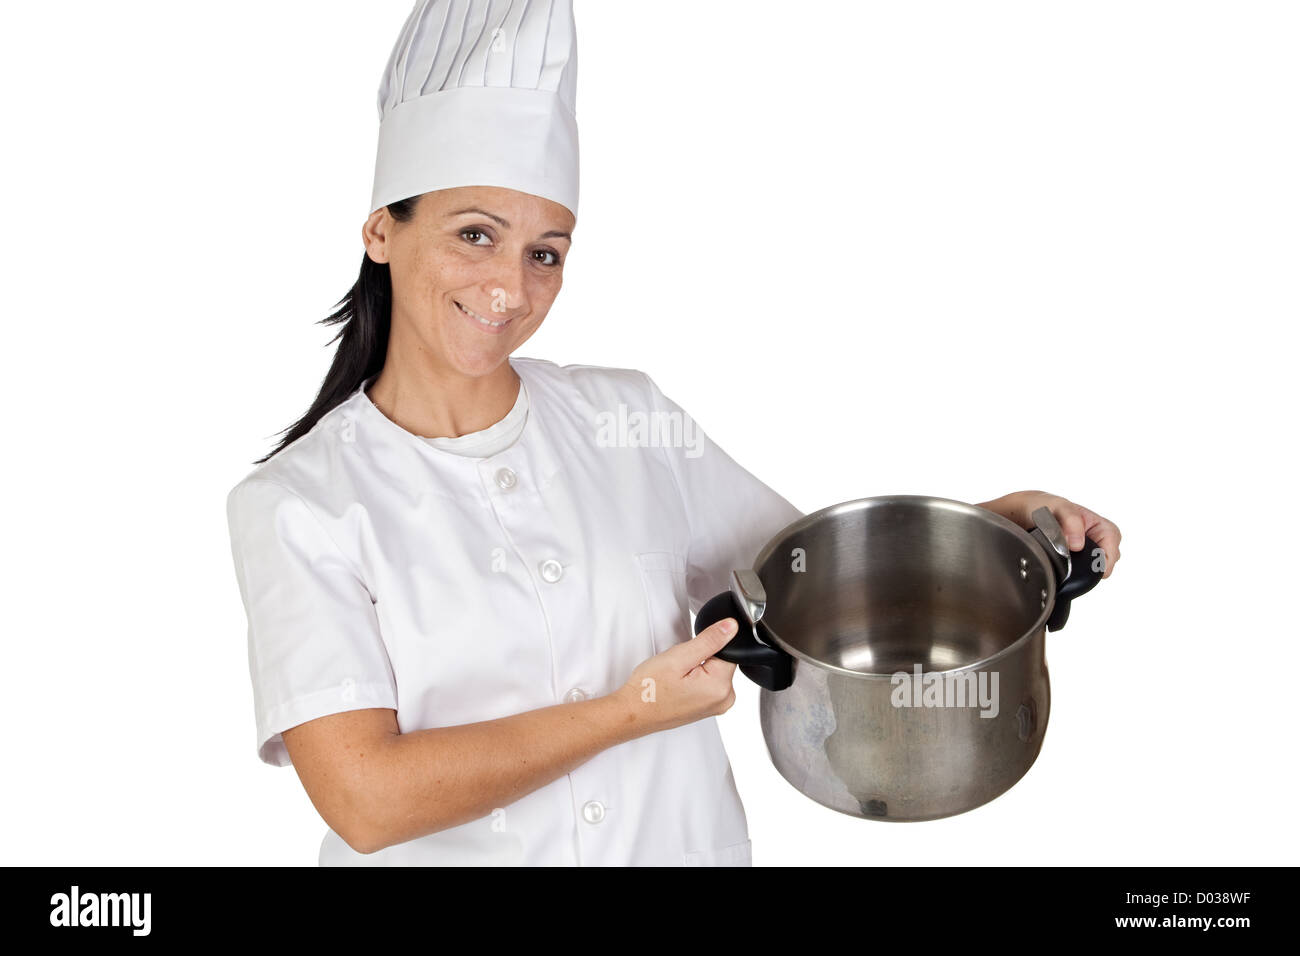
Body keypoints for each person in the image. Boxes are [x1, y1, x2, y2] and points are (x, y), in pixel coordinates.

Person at [226, 0, 1122, 867]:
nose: (510, 286)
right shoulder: (299, 505)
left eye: (546, 251)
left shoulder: (628, 419)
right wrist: (627, 712)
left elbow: (818, 576)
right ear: (383, 230)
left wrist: (998, 524)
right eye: (474, 234)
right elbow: (367, 802)